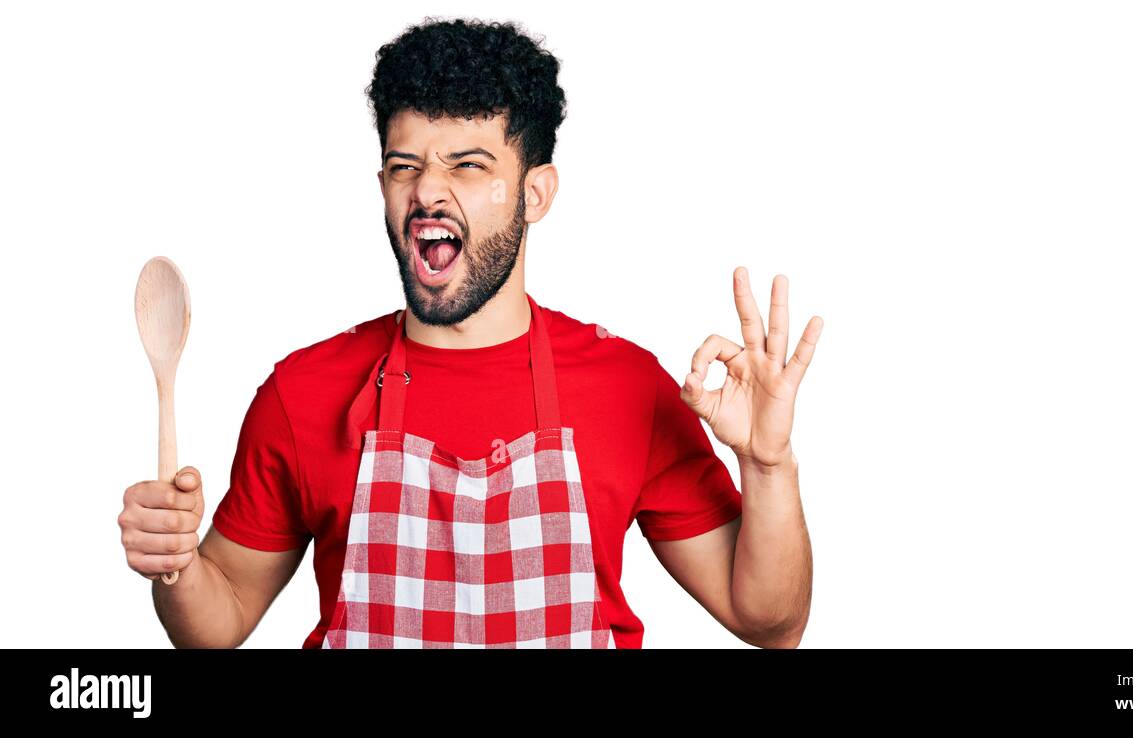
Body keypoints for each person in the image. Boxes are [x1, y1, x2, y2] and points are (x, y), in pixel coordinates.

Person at [117, 17, 821, 649]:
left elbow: (769, 622)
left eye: (468, 164)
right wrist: (175, 566)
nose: (427, 191)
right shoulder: (303, 393)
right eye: (405, 167)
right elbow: (220, 620)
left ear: (535, 193)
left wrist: (767, 466)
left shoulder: (629, 389)